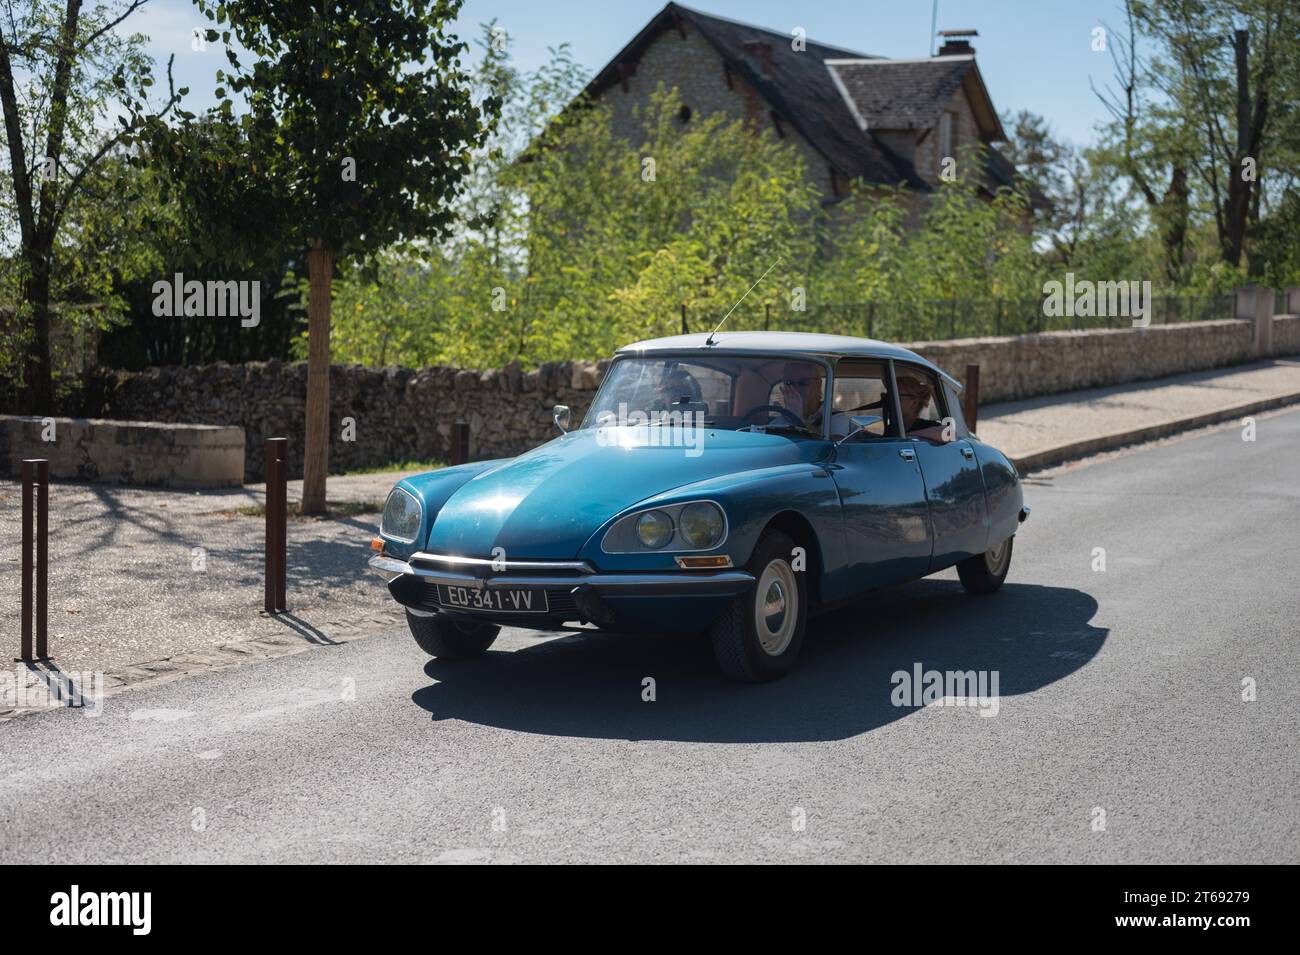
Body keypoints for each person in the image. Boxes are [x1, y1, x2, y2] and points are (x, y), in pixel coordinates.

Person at [896, 374, 948, 443]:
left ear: (914, 402)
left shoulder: (927, 426)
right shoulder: (893, 426)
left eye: (897, 395)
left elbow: (949, 433)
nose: (891, 399)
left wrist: (906, 436)